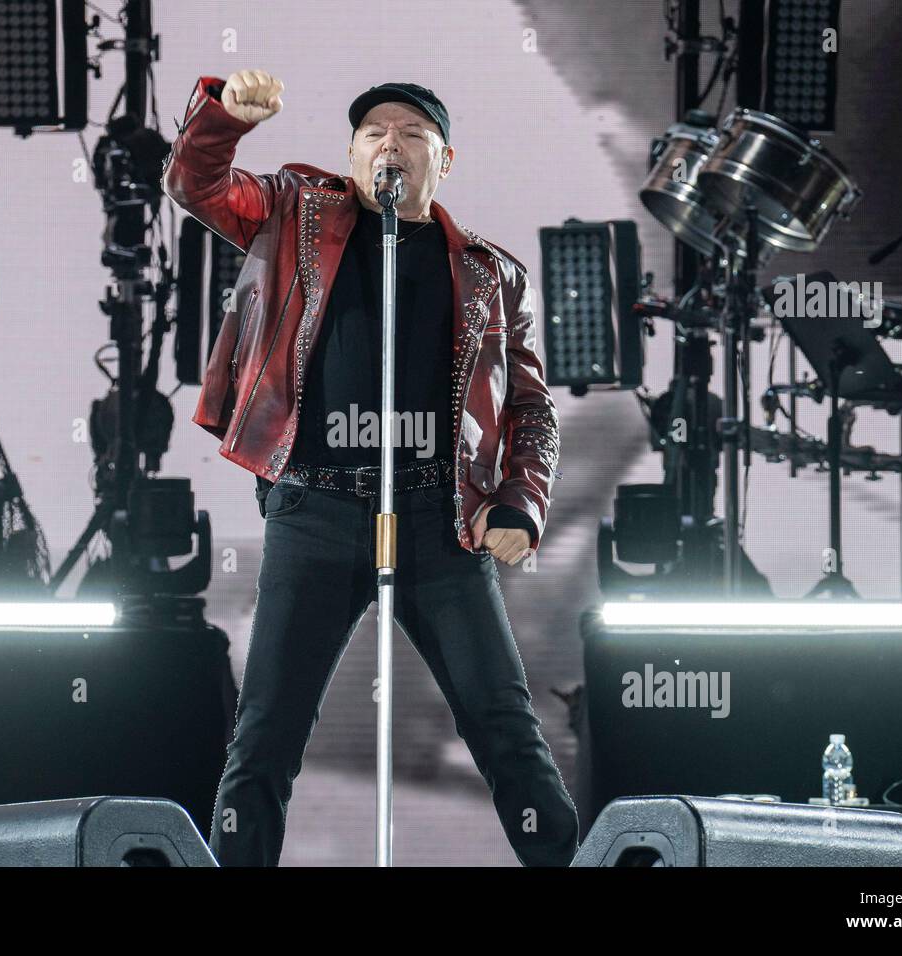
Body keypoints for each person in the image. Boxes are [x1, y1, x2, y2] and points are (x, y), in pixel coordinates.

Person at [164, 69, 577, 866]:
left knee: (503, 722)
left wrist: (520, 503)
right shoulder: (292, 214)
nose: (392, 144)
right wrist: (222, 121)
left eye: (412, 134)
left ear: (444, 161)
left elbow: (531, 408)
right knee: (266, 733)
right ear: (351, 155)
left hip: (437, 519)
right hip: (314, 509)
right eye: (374, 134)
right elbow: (196, 184)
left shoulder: (493, 275)